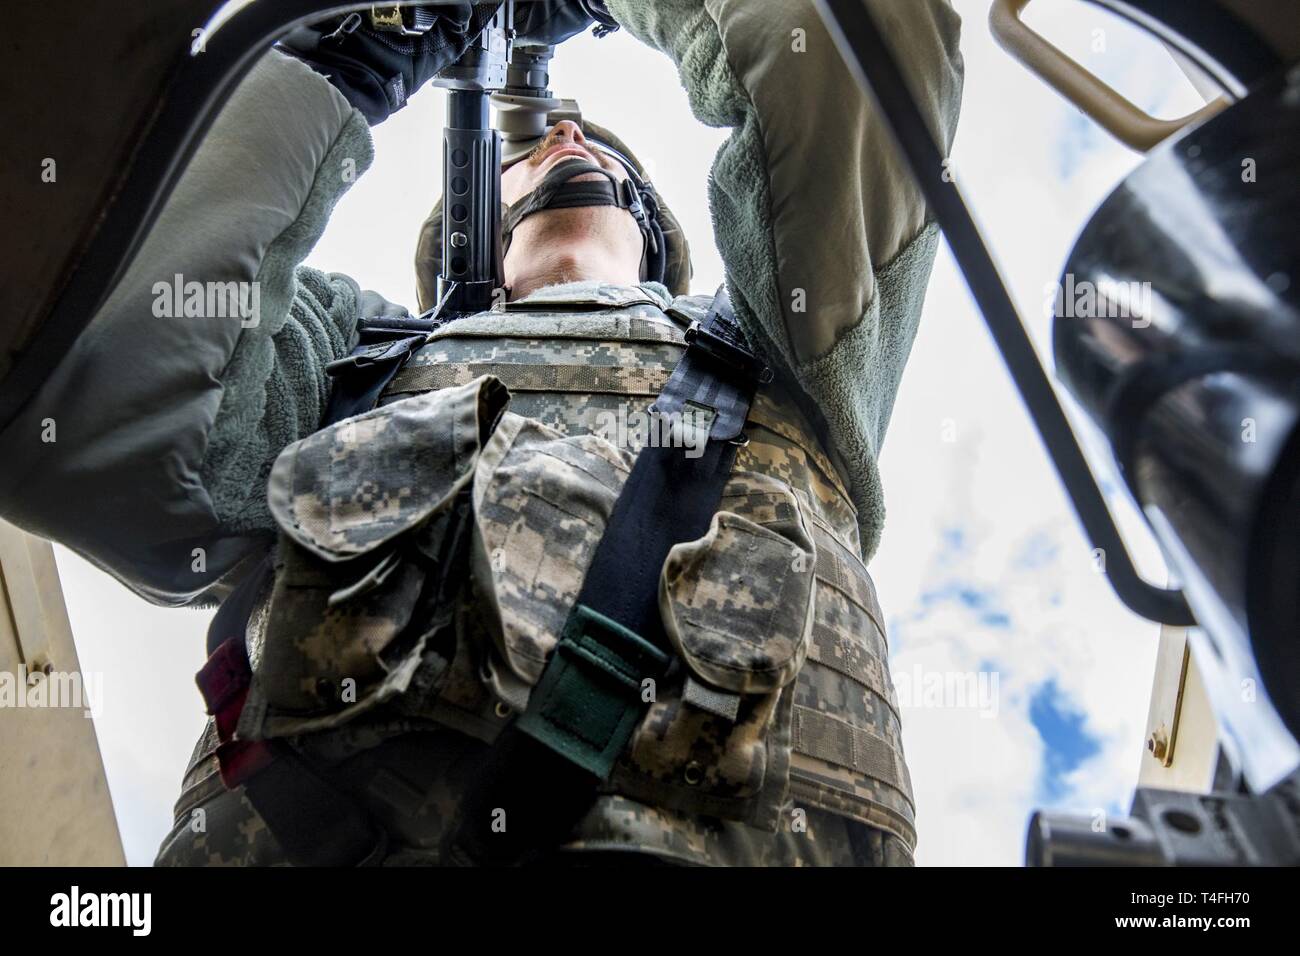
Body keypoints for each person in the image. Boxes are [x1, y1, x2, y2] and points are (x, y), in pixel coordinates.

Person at [0, 0, 963, 865]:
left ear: (659, 247)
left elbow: (863, 45)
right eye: (529, 153)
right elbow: (90, 409)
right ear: (467, 231)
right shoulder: (344, 360)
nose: (568, 135)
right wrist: (353, 55)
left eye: (603, 156)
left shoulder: (778, 344)